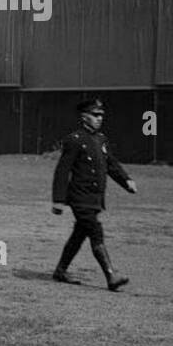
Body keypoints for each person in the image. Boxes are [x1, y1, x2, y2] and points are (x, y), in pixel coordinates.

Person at [51, 97, 137, 291]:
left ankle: (60, 270)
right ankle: (111, 276)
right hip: (79, 198)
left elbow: (111, 165)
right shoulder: (75, 140)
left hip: (95, 198)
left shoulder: (101, 140)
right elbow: (62, 171)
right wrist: (58, 200)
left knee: (79, 235)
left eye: (101, 115)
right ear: (84, 117)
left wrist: (126, 180)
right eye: (95, 115)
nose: (99, 118)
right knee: (95, 232)